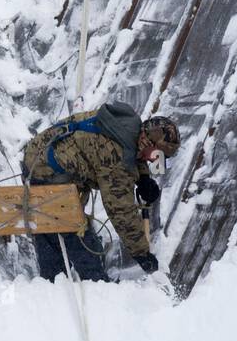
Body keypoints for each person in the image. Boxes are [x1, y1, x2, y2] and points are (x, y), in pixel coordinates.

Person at [21, 102, 180, 281]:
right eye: (155, 156)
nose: (152, 161)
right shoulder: (115, 156)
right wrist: (141, 254)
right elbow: (121, 210)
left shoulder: (128, 125)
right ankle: (82, 284)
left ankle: (57, 280)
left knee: (60, 231)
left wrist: (143, 178)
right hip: (43, 171)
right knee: (75, 235)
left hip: (44, 153)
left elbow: (133, 149)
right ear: (147, 140)